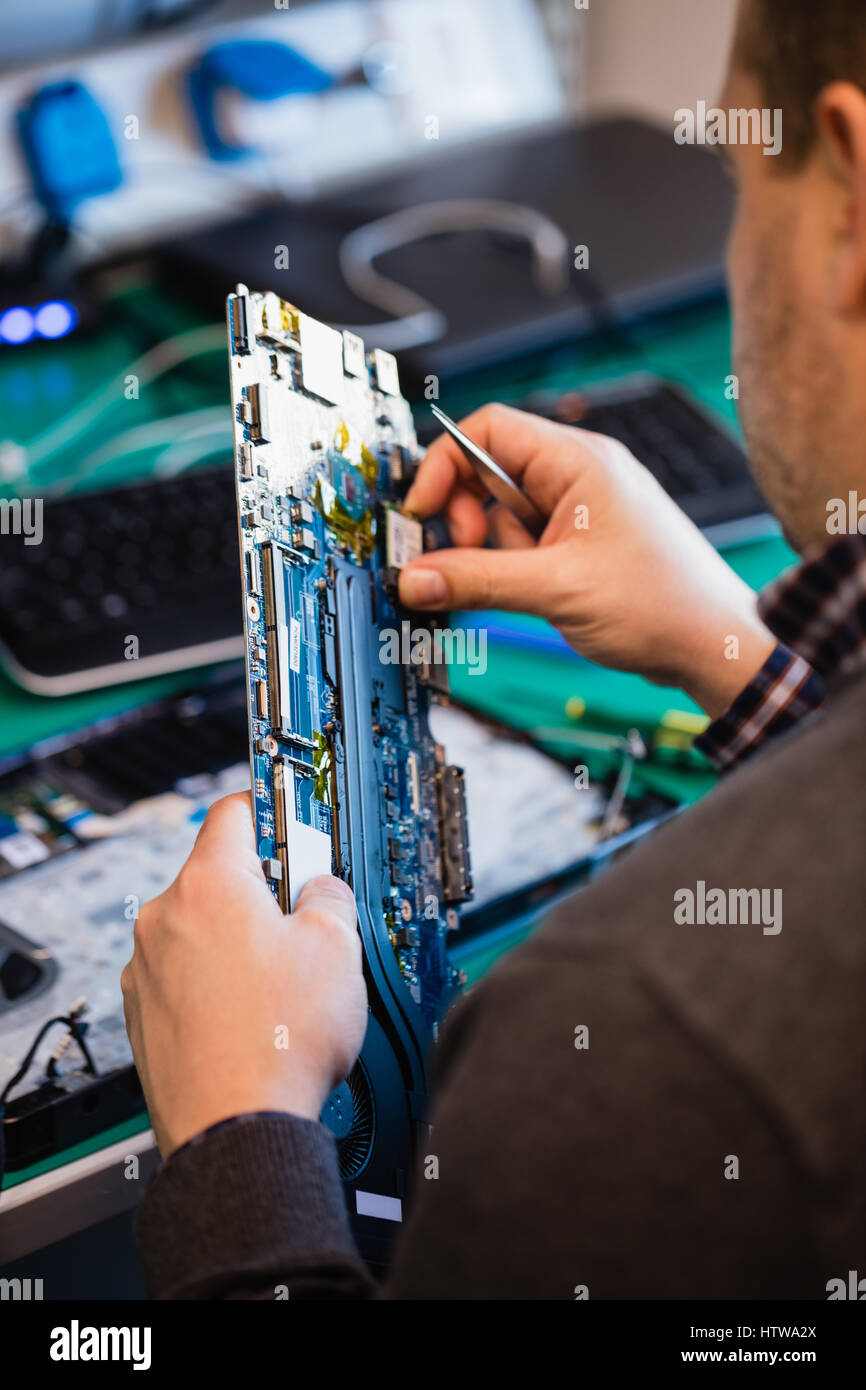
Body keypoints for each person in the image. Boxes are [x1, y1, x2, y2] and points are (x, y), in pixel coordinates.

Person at [124, 0, 866, 1298]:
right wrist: (736, 655)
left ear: (853, 202)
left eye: (747, 183)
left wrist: (238, 1129)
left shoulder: (650, 1036)